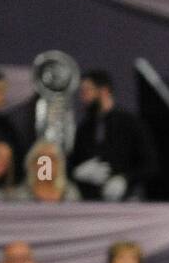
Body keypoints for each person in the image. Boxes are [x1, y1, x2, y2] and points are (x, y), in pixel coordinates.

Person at [67, 70, 159, 201]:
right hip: (90, 204)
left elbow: (150, 165)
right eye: (82, 92)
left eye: (87, 91)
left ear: (103, 91)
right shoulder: (84, 129)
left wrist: (125, 179)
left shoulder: (131, 123)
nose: (83, 97)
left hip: (126, 202)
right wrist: (77, 172)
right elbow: (72, 162)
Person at [9, 141, 81, 202]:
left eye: (52, 158)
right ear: (32, 164)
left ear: (59, 164)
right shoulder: (18, 196)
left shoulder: (71, 193)